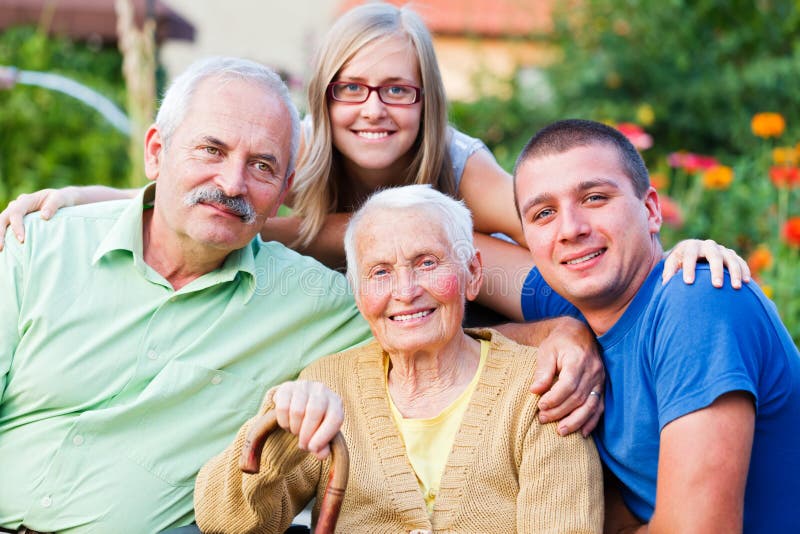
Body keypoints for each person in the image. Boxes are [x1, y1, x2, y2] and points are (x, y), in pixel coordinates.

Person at [0, 56, 612, 533]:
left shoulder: (318, 303)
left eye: (262, 166)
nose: (232, 182)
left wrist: (559, 330)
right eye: (211, 150)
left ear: (286, 187)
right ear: (157, 152)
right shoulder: (40, 248)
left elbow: (427, 320)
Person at [0, 2, 750, 321]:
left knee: (474, 247)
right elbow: (209, 209)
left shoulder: (460, 166)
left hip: (459, 338)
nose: (374, 108)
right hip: (332, 355)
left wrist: (671, 255)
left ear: (426, 102)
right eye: (351, 88)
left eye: (399, 89)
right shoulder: (284, 156)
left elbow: (564, 223)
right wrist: (96, 197)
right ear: (323, 99)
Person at [193, 185, 604, 533]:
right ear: (357, 293)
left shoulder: (538, 388)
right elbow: (223, 524)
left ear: (472, 274)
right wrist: (278, 430)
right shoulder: (330, 382)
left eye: (427, 263)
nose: (405, 291)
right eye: (380, 273)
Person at [512, 119, 800, 533]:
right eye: (543, 213)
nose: (571, 229)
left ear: (650, 210)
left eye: (594, 198)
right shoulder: (571, 303)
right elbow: (436, 282)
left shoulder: (697, 299)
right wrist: (551, 332)